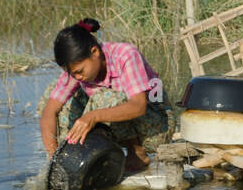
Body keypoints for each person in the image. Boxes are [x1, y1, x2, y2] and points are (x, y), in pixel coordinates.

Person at [39, 18, 170, 175]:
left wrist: (93, 116)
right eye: (73, 73)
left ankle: (136, 152)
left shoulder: (126, 55)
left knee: (104, 98)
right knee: (55, 96)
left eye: (80, 71)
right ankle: (71, 159)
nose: (77, 77)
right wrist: (53, 158)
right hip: (121, 127)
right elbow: (49, 111)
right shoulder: (76, 72)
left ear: (95, 52)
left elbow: (138, 106)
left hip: (156, 127)